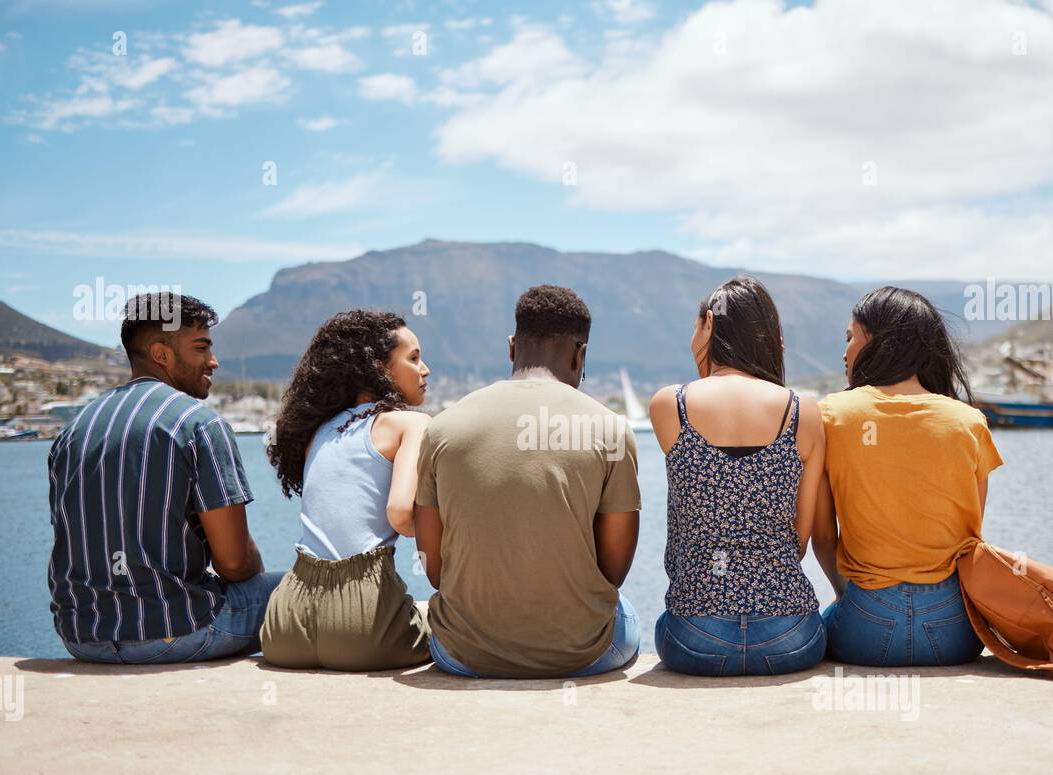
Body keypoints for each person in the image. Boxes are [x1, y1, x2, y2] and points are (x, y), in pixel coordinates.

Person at [414, 285, 642, 678]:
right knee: (628, 611)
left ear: (511, 347)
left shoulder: (442, 428)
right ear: (580, 354)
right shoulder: (611, 430)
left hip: (461, 654)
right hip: (580, 654)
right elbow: (612, 574)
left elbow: (434, 570)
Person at [48, 293, 282, 664]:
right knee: (310, 587)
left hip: (81, 637)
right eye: (201, 347)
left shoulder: (74, 430)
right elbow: (235, 564)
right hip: (179, 632)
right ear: (161, 354)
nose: (213, 361)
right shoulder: (199, 424)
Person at [812, 286, 1002, 667]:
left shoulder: (832, 416)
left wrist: (843, 593)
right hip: (956, 634)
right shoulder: (967, 422)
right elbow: (971, 537)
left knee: (813, 629)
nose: (845, 351)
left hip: (865, 630)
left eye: (851, 337)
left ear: (879, 341)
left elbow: (824, 537)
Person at [648, 275, 827, 675]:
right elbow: (798, 544)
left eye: (696, 327)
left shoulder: (668, 406)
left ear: (709, 323)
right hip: (791, 636)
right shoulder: (805, 413)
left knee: (661, 624)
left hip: (694, 637)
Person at [260, 310, 433, 671]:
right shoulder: (410, 424)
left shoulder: (318, 432)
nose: (424, 369)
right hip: (363, 625)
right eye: (414, 358)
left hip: (287, 622)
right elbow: (401, 514)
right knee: (447, 623)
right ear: (378, 366)